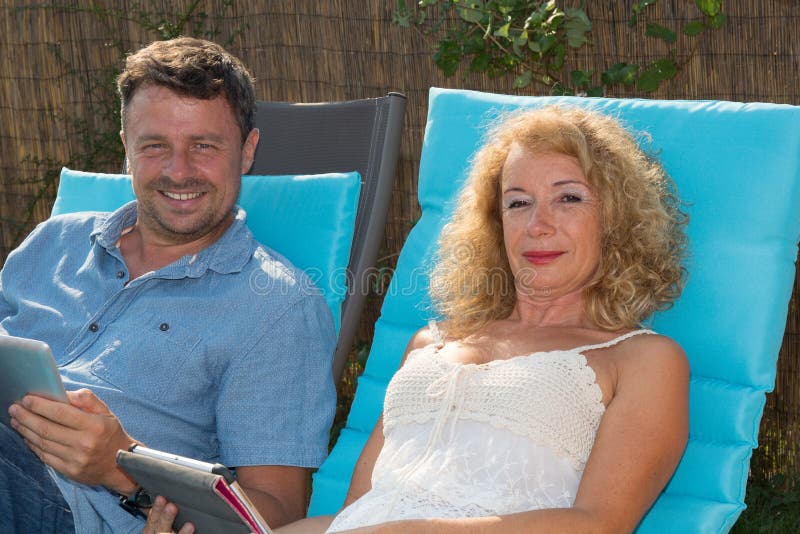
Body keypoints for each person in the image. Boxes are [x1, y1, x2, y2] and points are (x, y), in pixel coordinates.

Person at [147, 105, 690, 534]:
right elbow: (356, 518)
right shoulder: (430, 343)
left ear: (614, 219)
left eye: (568, 198)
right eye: (518, 203)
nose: (538, 225)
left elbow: (599, 524)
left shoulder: (640, 359)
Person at [0, 37, 336, 533]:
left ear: (246, 151)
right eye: (155, 146)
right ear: (127, 149)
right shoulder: (53, 242)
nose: (179, 172)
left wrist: (121, 467)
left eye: (203, 146)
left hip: (69, 512)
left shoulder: (277, 307)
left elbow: (276, 518)